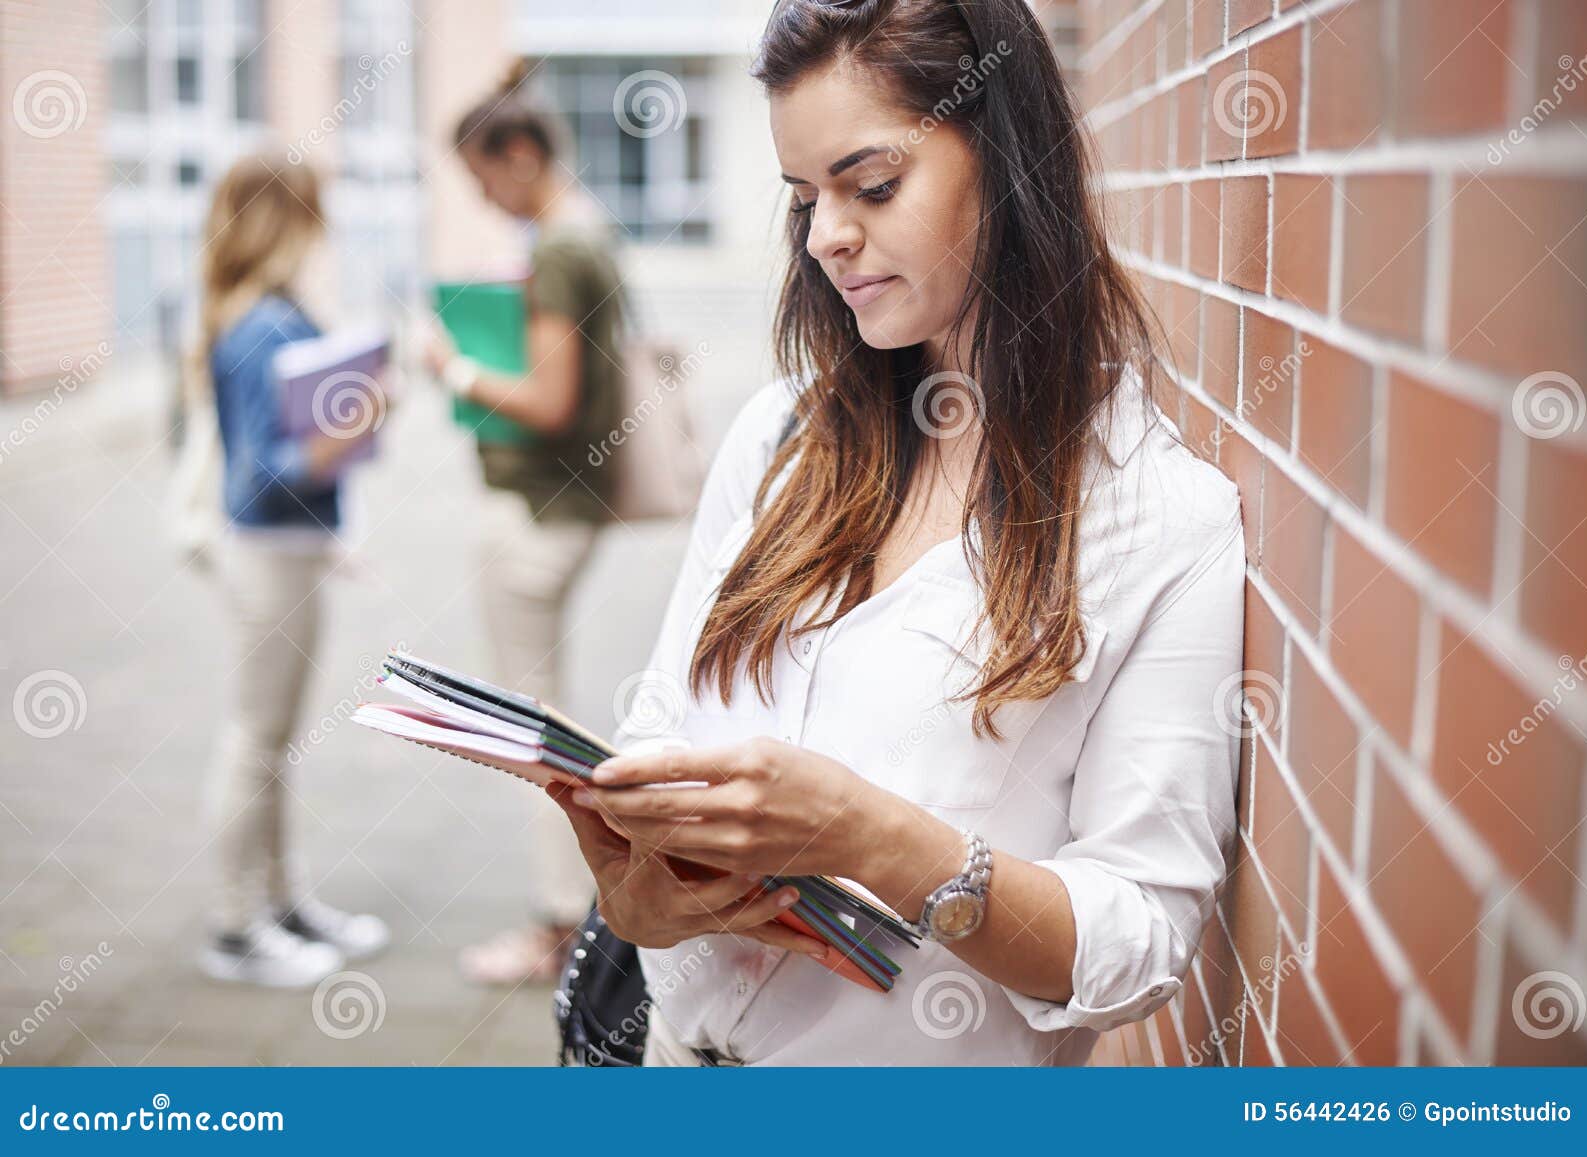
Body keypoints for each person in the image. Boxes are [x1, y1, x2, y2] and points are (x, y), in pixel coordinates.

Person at [545, 0, 1246, 1066]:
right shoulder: (781, 434)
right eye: (802, 198)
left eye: (870, 185)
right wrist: (644, 888)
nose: (826, 233)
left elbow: (1141, 941)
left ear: (1006, 159)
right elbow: (661, 715)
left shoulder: (1158, 520)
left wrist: (872, 835)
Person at [424, 64, 627, 985]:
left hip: (535, 516)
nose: (483, 198)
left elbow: (549, 400)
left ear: (519, 155)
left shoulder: (556, 250)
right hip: (567, 512)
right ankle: (576, 922)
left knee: (534, 736)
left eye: (482, 178)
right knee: (546, 725)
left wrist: (453, 367)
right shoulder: (581, 228)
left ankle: (562, 931)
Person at [194, 155, 389, 988]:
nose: (326, 228)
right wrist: (349, 429)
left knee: (269, 740)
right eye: (314, 211)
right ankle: (238, 926)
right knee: (255, 739)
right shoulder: (263, 324)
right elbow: (259, 472)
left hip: (284, 551)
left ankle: (280, 903)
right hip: (268, 554)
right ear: (287, 221)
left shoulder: (258, 315)